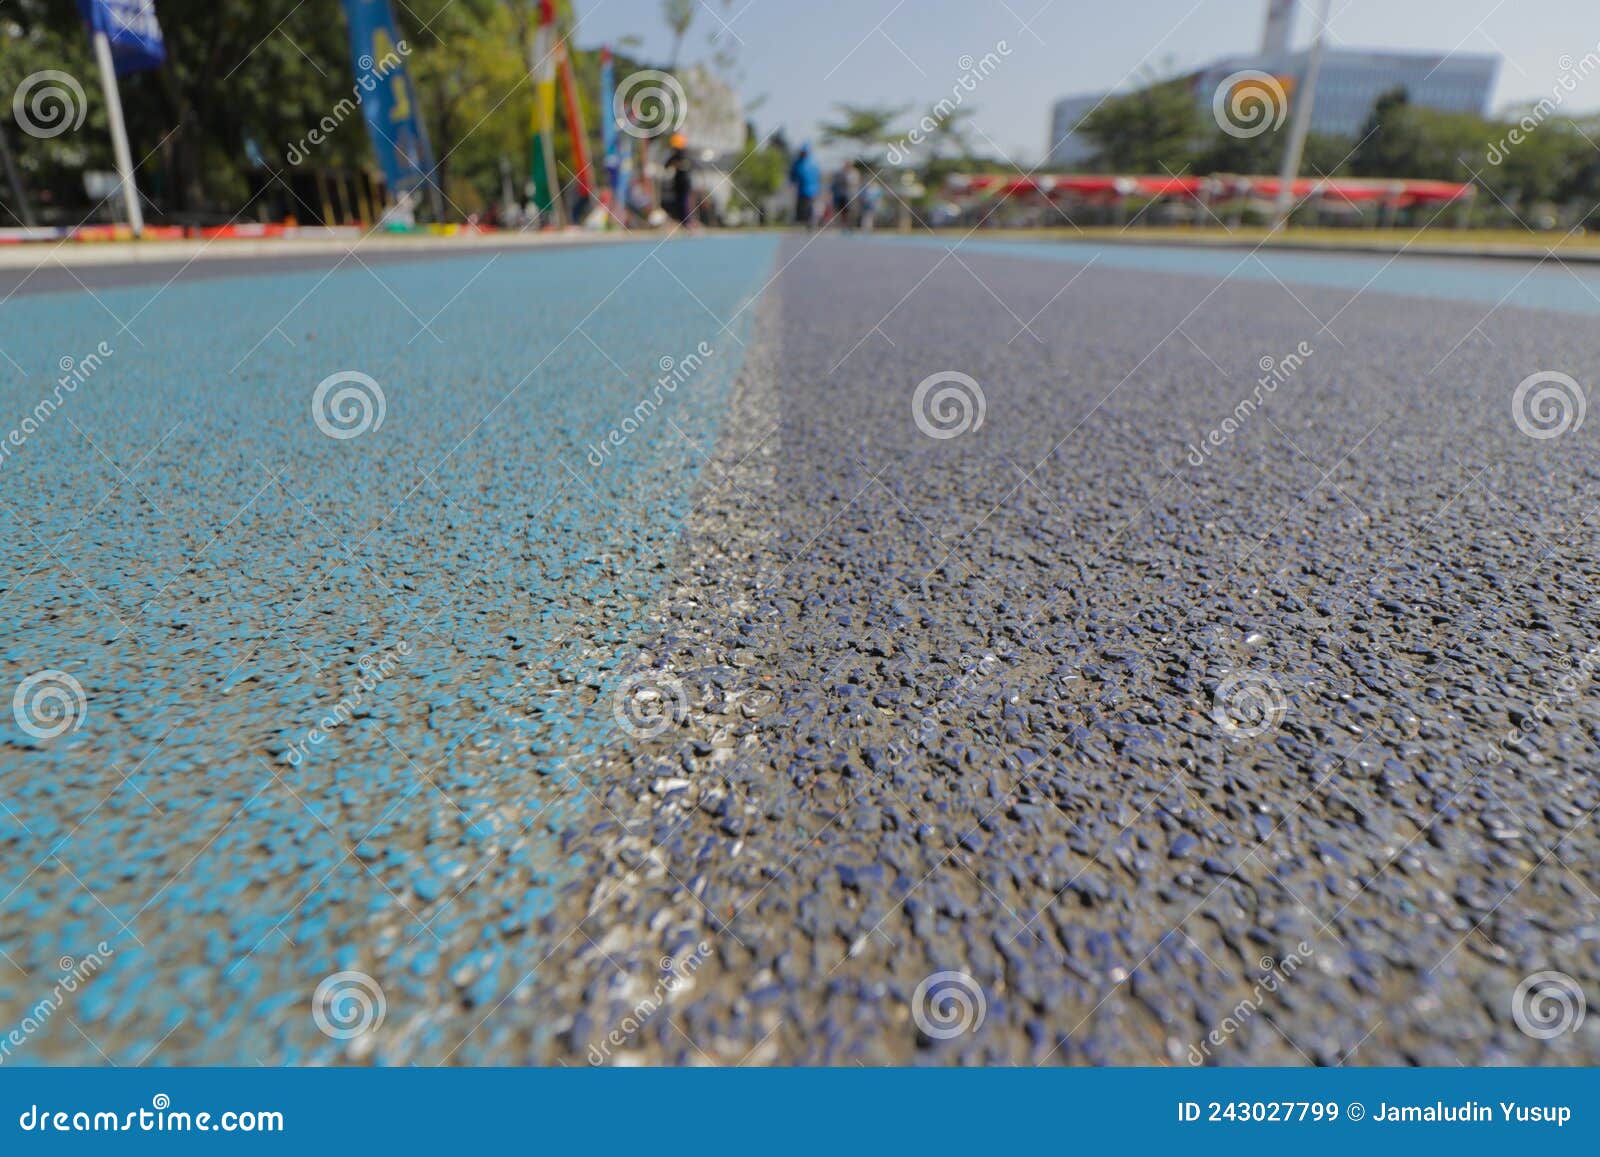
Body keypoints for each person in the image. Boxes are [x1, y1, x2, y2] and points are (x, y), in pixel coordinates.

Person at [664, 132, 695, 228]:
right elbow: (667, 165)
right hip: (678, 183)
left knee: (685, 203)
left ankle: (687, 222)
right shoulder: (675, 156)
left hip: (685, 183)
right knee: (679, 202)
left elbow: (690, 166)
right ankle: (682, 221)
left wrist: (678, 165)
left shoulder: (685, 155)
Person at [789, 142, 820, 228]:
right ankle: (803, 221)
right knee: (802, 207)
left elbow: (817, 177)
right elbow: (793, 175)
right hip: (801, 190)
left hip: (812, 191)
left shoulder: (812, 163)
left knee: (810, 207)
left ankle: (811, 222)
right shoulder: (798, 163)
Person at [830, 163, 859, 228]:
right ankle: (843, 225)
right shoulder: (840, 173)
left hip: (851, 196)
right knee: (842, 211)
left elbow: (855, 184)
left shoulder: (854, 173)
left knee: (850, 211)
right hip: (842, 196)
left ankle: (850, 225)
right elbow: (836, 184)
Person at [857, 166, 882, 232]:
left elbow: (879, 196)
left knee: (871, 216)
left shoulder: (877, 187)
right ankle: (864, 228)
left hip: (873, 204)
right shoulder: (866, 186)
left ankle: (869, 228)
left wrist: (877, 202)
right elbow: (862, 195)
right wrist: (863, 200)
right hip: (866, 203)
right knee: (866, 216)